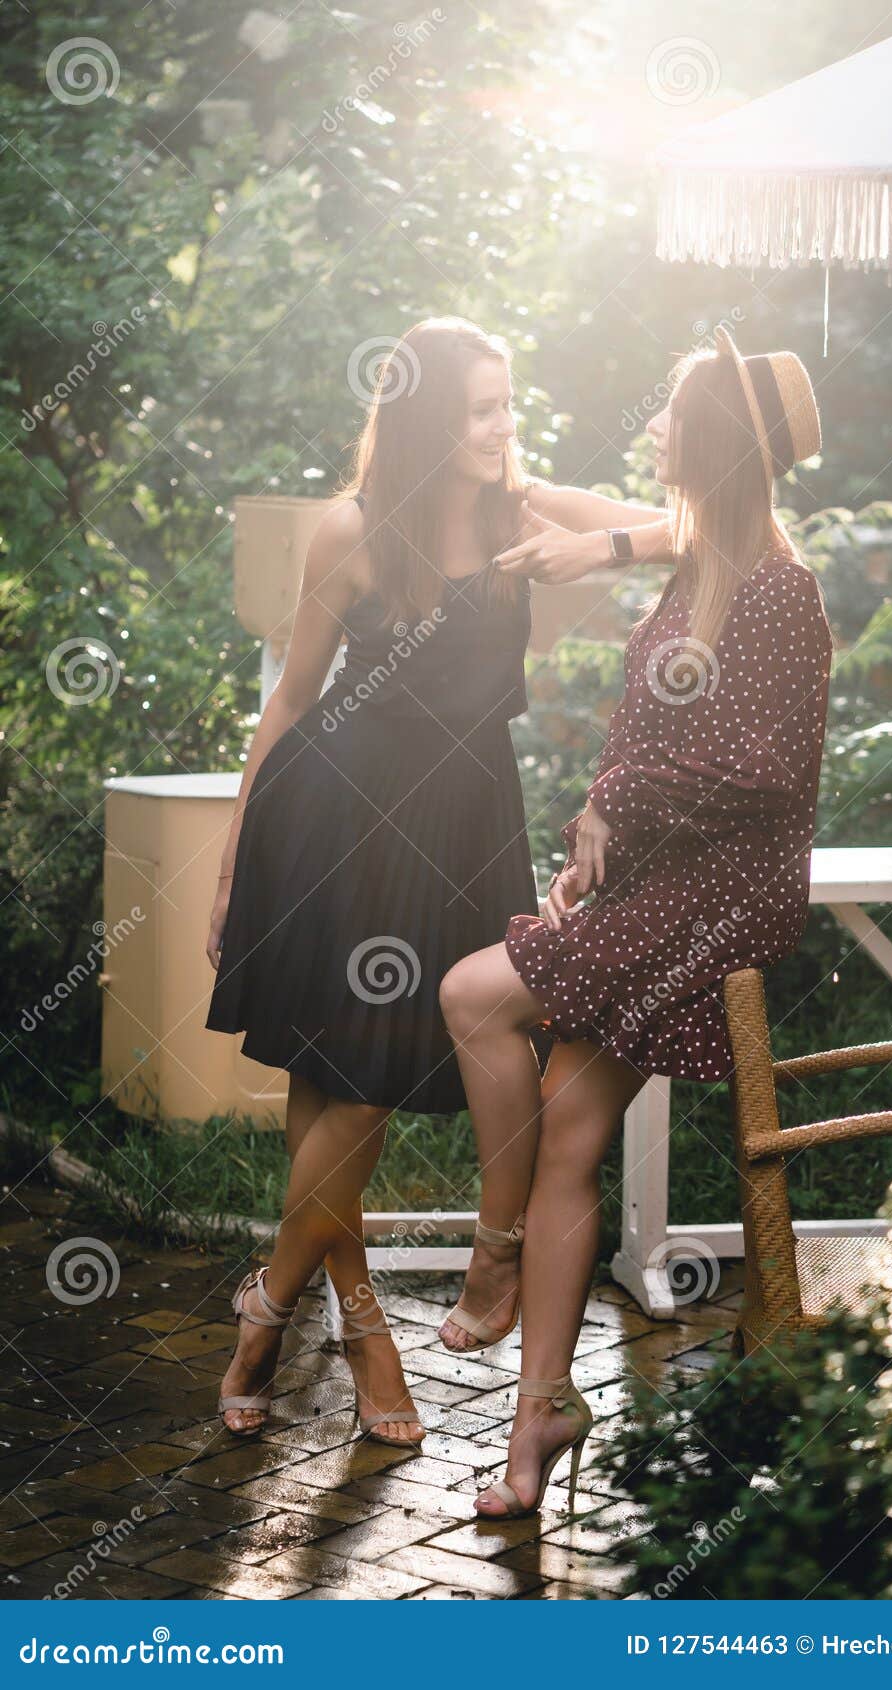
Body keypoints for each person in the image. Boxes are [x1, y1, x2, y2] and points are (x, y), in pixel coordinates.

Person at [204, 316, 665, 1443]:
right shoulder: (351, 532)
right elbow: (293, 696)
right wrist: (231, 854)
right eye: (480, 408)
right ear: (422, 416)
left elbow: (697, 532)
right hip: (335, 817)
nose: (503, 425)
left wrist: (592, 552)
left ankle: (272, 1307)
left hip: (462, 822)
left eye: (510, 403)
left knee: (340, 1086)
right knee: (352, 1081)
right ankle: (352, 1334)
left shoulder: (520, 504)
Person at [437, 324, 835, 1516]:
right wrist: (600, 828)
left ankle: (494, 1247)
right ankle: (538, 1415)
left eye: (668, 412)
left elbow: (760, 769)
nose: (652, 427)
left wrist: (616, 803)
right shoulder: (708, 558)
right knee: (567, 1134)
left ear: (707, 441)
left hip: (719, 900)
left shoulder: (774, 587)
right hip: (660, 885)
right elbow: (650, 727)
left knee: (469, 993)